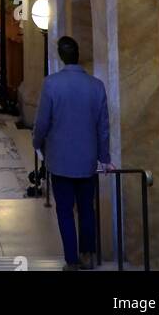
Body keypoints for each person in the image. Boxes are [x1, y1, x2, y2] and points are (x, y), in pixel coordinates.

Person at [32, 34, 115, 271]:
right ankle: (88, 253)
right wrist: (105, 158)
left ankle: (71, 259)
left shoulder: (51, 84)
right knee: (87, 208)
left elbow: (42, 121)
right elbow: (103, 128)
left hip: (60, 159)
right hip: (87, 160)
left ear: (61, 57)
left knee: (65, 210)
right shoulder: (96, 86)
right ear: (78, 55)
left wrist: (37, 142)